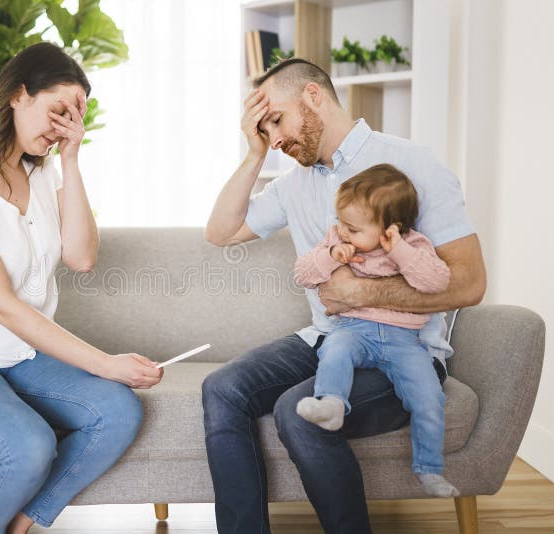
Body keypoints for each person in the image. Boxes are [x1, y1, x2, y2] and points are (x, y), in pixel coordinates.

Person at [203, 58, 486, 534]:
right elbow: (220, 232)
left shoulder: (413, 165)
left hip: (403, 350)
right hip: (329, 338)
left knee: (301, 414)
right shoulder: (293, 185)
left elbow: (470, 283)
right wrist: (253, 156)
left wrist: (360, 290)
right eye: (263, 128)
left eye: (276, 120)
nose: (274, 138)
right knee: (222, 388)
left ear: (313, 97)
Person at [0, 42, 163, 534]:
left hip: (21, 356)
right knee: (29, 443)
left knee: (118, 410)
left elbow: (81, 257)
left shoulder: (43, 173)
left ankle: (22, 523)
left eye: (75, 116)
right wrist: (105, 363)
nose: (63, 124)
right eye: (57, 110)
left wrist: (71, 158)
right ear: (18, 95)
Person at [293, 163, 458, 498]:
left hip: (404, 340)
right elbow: (303, 274)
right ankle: (332, 405)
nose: (342, 230)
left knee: (429, 398)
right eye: (341, 222)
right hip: (353, 328)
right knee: (334, 350)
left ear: (390, 229)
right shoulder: (337, 239)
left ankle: (429, 469)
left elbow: (437, 282)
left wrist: (398, 250)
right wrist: (330, 255)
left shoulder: (415, 246)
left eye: (353, 228)